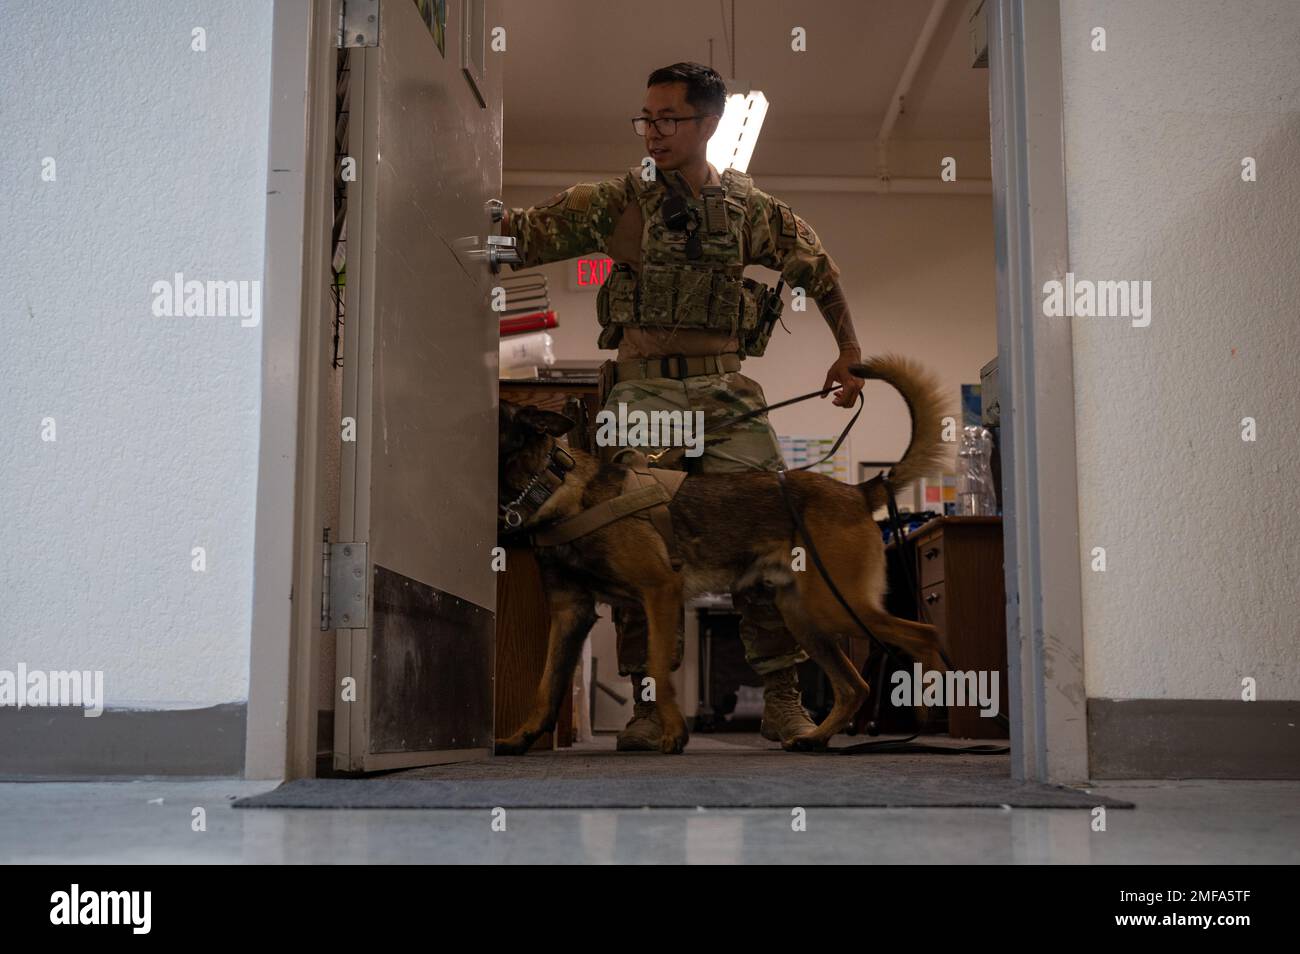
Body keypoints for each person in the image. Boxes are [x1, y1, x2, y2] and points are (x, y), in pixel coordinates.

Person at [502, 62, 864, 749]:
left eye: (669, 118)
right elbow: (519, 238)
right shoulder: (615, 203)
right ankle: (648, 704)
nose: (653, 132)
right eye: (645, 117)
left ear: (709, 124)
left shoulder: (751, 212)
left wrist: (848, 351)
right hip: (642, 393)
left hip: (727, 391)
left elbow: (820, 271)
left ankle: (783, 700)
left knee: (769, 536)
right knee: (628, 545)